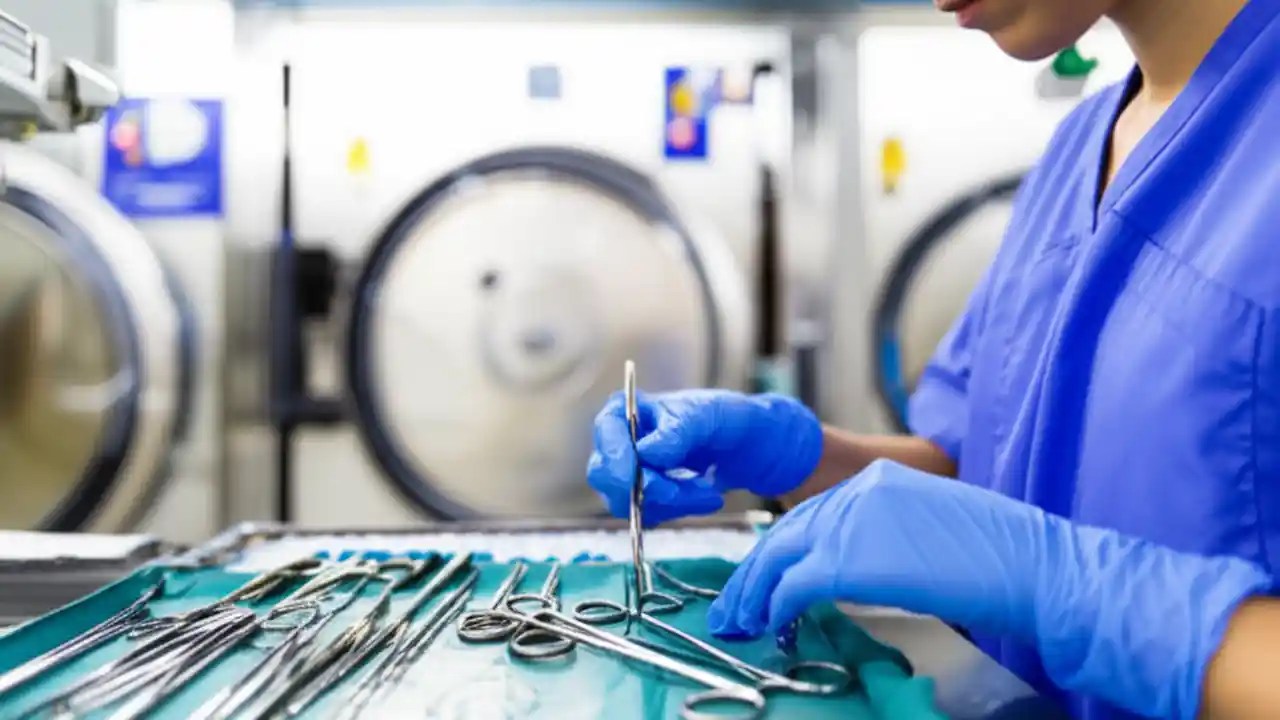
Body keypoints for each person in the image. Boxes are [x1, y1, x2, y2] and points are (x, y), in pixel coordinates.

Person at [586, 0, 1280, 718]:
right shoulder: (1079, 147)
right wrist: (798, 458)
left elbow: (1023, 559)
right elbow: (985, 488)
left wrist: (1080, 594)